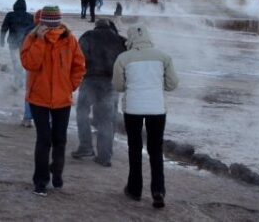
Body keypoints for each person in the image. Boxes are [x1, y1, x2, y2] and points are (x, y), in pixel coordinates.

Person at [20, 6, 86, 196]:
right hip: (38, 98)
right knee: (44, 140)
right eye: (48, 25)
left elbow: (79, 66)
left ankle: (56, 172)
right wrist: (40, 41)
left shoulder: (69, 39)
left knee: (60, 139)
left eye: (53, 24)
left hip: (62, 99)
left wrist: (70, 86)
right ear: (42, 23)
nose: (51, 28)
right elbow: (30, 64)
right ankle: (40, 181)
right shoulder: (32, 38)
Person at [113, 25, 179, 209]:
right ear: (149, 37)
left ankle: (134, 190)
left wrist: (131, 87)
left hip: (133, 109)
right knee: (156, 150)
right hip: (157, 109)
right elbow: (173, 84)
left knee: (135, 148)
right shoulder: (163, 57)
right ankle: (158, 190)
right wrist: (157, 88)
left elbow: (118, 85)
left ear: (130, 38)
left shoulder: (123, 58)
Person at [72, 19, 127, 166]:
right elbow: (127, 62)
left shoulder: (88, 36)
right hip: (110, 83)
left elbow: (78, 57)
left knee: (82, 112)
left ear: (96, 26)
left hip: (90, 80)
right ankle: (105, 157)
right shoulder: (121, 40)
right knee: (106, 119)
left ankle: (86, 146)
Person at [0, 0, 35, 127]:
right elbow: (32, 31)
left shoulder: (10, 15)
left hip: (13, 43)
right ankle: (24, 80)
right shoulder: (30, 16)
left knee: (15, 62)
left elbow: (4, 28)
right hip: (25, 44)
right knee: (25, 62)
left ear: (15, 6)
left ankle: (18, 81)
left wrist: (2, 40)